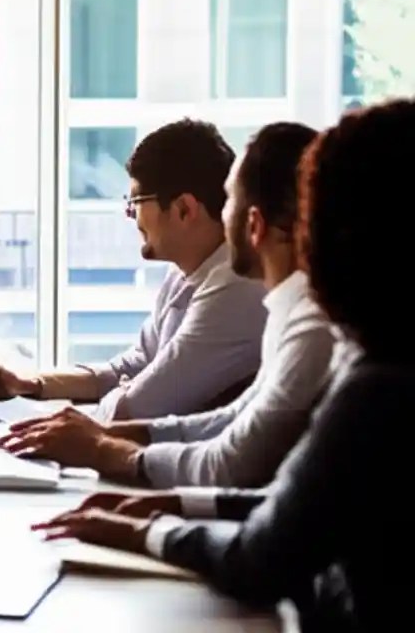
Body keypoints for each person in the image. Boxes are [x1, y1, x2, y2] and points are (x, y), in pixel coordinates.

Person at [32, 99, 415, 632]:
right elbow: (289, 501)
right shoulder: (384, 360)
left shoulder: (375, 387)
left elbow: (260, 558)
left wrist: (148, 525)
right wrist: (177, 503)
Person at [0, 123, 336, 488]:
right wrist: (40, 390)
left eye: (229, 200)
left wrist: (97, 441)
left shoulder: (269, 306)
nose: (223, 214)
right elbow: (223, 416)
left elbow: (159, 413)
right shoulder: (201, 279)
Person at [0, 119, 267, 420]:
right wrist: (33, 385)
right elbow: (134, 365)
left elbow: (136, 407)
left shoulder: (234, 286)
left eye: (136, 201)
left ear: (184, 209)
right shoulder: (187, 271)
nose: (130, 214)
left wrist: (125, 390)